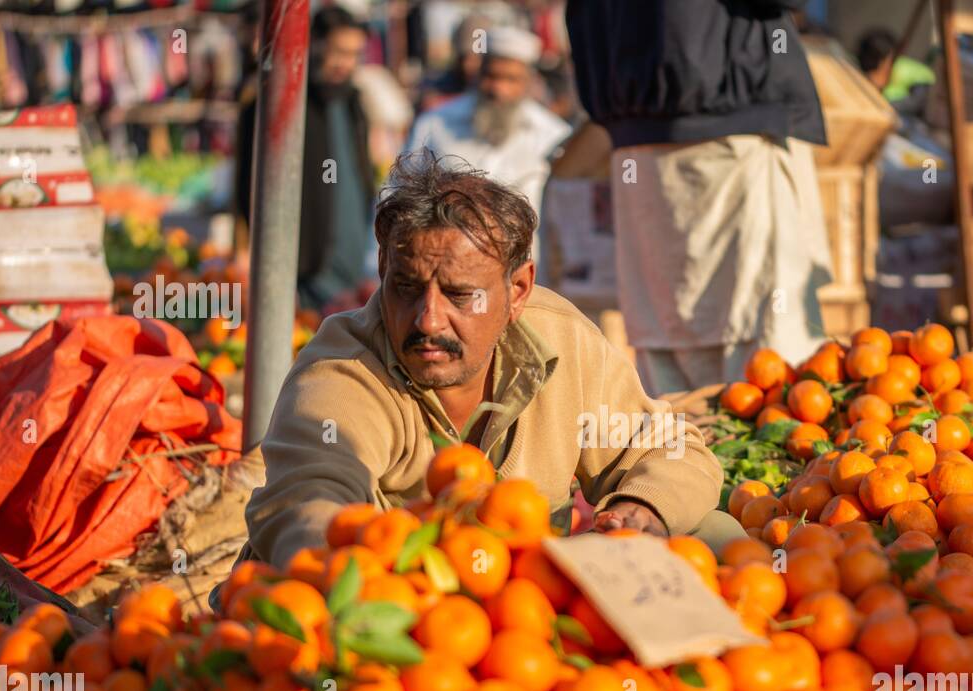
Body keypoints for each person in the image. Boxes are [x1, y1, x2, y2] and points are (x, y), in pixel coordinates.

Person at [241, 155, 743, 572]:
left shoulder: (559, 339)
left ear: (518, 289)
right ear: (382, 271)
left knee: (714, 533)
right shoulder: (345, 370)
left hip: (522, 610)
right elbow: (308, 497)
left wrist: (643, 508)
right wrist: (362, 568)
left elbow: (670, 449)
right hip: (390, 606)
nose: (429, 320)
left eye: (461, 295)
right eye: (407, 288)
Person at [566, 0, 834, 395]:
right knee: (765, 345)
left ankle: (682, 454)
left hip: (637, 128)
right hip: (730, 130)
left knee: (666, 335)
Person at [235, 6, 375, 311]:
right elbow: (249, 186)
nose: (345, 63)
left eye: (353, 54)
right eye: (338, 51)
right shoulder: (276, 103)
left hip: (353, 266)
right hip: (304, 271)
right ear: (315, 45)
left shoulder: (352, 102)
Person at [405, 26, 571, 224]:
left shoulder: (553, 136)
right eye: (491, 76)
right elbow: (400, 193)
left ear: (528, 81)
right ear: (478, 74)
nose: (498, 89)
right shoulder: (434, 125)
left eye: (510, 79)